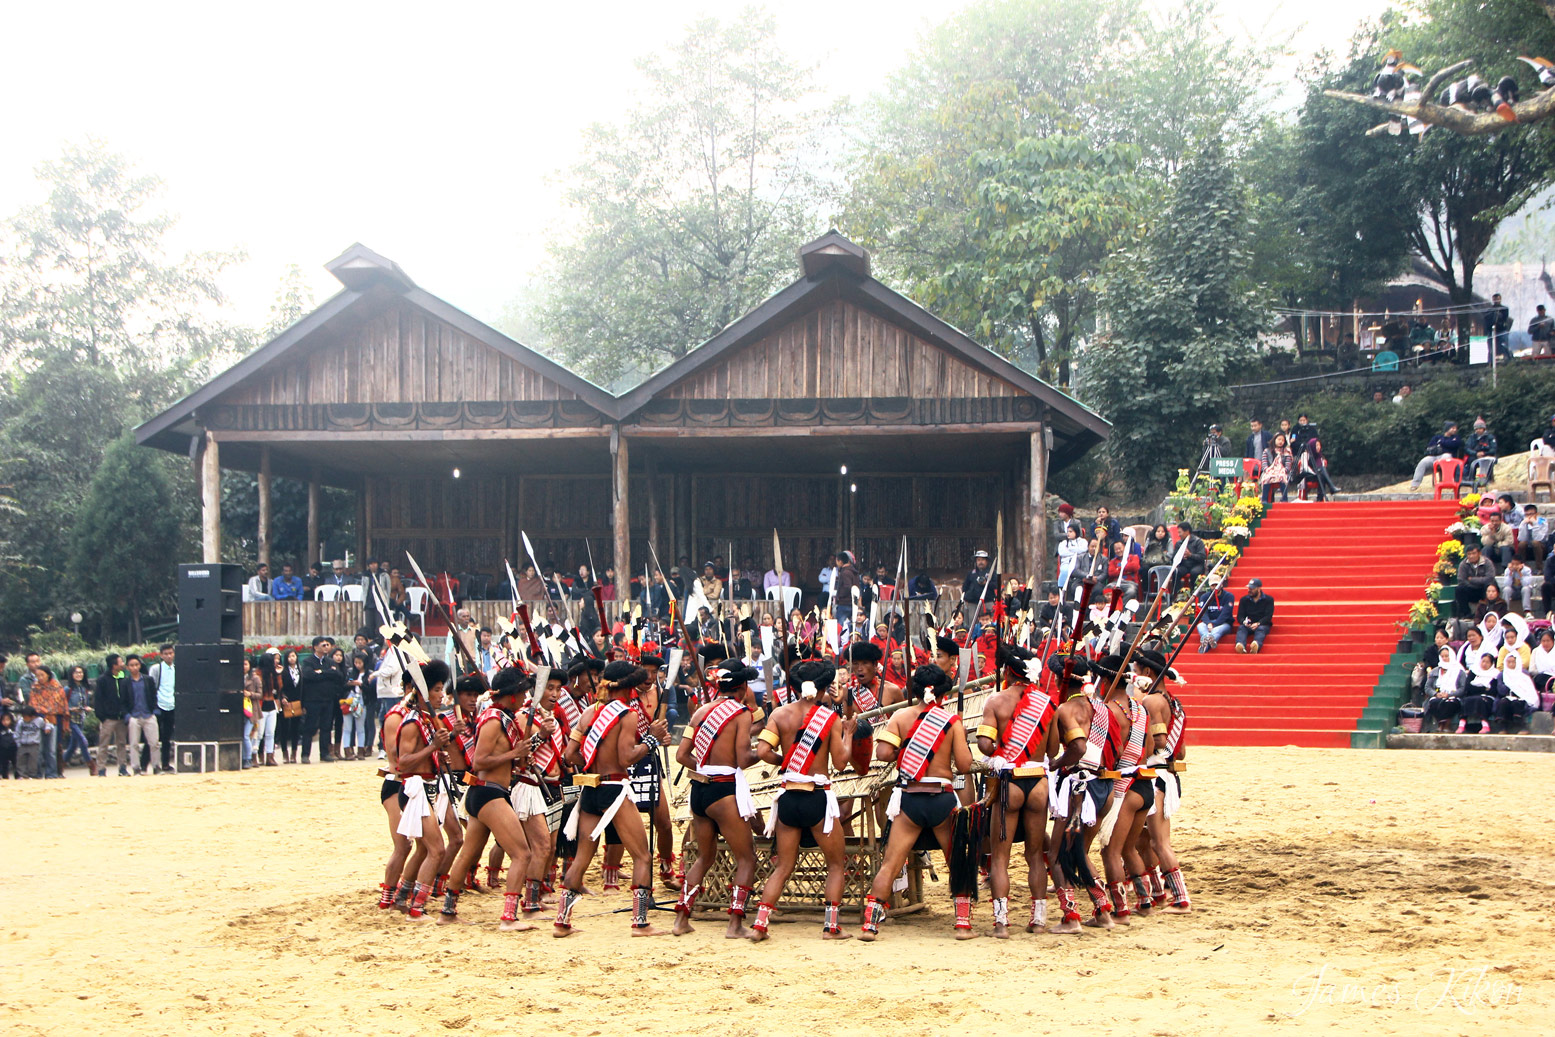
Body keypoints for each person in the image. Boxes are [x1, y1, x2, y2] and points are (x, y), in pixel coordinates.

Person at [554, 661, 670, 937]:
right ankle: (640, 923)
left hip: (591, 790)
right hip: (615, 789)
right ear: (630, 687)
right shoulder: (626, 715)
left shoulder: (589, 712)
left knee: (582, 857)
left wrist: (592, 765)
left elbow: (570, 755)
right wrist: (652, 740)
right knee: (642, 855)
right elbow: (626, 758)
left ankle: (562, 921)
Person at [860, 664, 975, 941]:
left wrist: (908, 749)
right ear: (942, 693)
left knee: (890, 863)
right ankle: (962, 924)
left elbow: (884, 752)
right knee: (956, 860)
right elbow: (963, 764)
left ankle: (870, 925)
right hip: (941, 799)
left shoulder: (900, 716)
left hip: (909, 799)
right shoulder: (952, 722)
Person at [749, 659, 856, 942]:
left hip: (789, 797)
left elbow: (761, 751)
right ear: (824, 688)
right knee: (835, 865)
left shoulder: (780, 715)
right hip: (817, 798)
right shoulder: (830, 718)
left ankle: (760, 924)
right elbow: (842, 762)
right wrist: (848, 734)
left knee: (783, 866)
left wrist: (785, 763)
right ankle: (831, 927)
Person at [436, 668, 542, 930]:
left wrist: (521, 754)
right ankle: (509, 917)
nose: (526, 695)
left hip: (488, 793)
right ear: (513, 696)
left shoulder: (503, 718)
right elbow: (479, 761)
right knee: (522, 853)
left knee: (468, 854)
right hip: (487, 792)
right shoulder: (494, 720)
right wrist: (513, 753)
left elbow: (511, 758)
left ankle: (447, 911)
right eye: (523, 692)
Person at [673, 660, 760, 938]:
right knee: (746, 858)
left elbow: (682, 756)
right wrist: (769, 753)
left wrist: (706, 767)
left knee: (705, 857)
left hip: (699, 790)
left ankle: (681, 920)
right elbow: (744, 759)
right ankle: (735, 925)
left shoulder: (701, 712)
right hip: (723, 791)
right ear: (744, 687)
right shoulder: (742, 714)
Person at [976, 644, 1056, 937]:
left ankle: (1001, 923)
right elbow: (1053, 748)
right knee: (1035, 854)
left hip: (1010, 781)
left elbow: (985, 745)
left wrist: (998, 749)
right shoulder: (1048, 703)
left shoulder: (996, 701)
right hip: (1037, 779)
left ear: (1008, 672)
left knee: (1000, 855)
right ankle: (1038, 919)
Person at [298, 636, 342, 764]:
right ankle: (305, 754)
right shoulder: (308, 661)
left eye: (327, 645)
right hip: (313, 700)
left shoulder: (329, 662)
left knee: (326, 727)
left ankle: (325, 753)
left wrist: (321, 672)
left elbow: (337, 675)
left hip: (328, 699)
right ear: (315, 647)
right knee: (310, 727)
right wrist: (327, 673)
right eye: (323, 645)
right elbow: (308, 675)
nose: (326, 647)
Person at [94, 654, 132, 776]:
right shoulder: (102, 680)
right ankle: (101, 769)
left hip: (121, 718)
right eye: (121, 662)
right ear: (114, 665)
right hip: (108, 718)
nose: (123, 664)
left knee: (121, 743)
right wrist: (102, 717)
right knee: (103, 744)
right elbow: (98, 699)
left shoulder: (124, 678)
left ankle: (122, 767)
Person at [124, 654, 162, 775]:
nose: (134, 667)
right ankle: (136, 768)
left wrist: (155, 711)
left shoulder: (148, 680)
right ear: (127, 667)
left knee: (154, 743)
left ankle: (156, 766)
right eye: (131, 665)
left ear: (140, 665)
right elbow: (123, 701)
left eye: (136, 665)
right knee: (134, 744)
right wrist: (127, 716)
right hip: (134, 716)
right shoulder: (125, 682)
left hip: (148, 715)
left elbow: (154, 696)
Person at [28, 667, 67, 779]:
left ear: (48, 675)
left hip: (54, 721)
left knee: (51, 749)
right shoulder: (35, 688)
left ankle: (51, 773)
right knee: (38, 749)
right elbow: (33, 705)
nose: (40, 678)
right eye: (38, 675)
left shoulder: (57, 687)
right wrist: (43, 714)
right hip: (38, 721)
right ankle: (37, 773)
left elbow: (59, 706)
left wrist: (47, 712)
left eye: (42, 675)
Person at [1420, 646, 1465, 732]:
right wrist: (1436, 694)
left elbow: (1462, 688)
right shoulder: (1435, 671)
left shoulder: (1459, 671)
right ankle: (1441, 725)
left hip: (1453, 696)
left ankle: (1446, 725)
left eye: (1447, 656)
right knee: (1434, 702)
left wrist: (1449, 694)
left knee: (1449, 703)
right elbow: (1427, 687)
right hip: (1438, 695)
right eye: (1442, 656)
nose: (1444, 658)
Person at [63, 665, 97, 774]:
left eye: (81, 672)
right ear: (72, 675)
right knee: (83, 740)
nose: (79, 675)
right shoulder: (68, 689)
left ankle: (61, 765)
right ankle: (91, 764)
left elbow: (85, 704)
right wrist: (71, 709)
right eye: (76, 673)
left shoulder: (84, 689)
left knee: (73, 746)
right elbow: (62, 706)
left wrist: (86, 708)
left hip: (80, 719)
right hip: (70, 719)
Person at [149, 644, 177, 772]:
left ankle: (165, 764)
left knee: (167, 738)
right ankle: (146, 765)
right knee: (153, 738)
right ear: (161, 655)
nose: (169, 656)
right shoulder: (156, 669)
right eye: (166, 653)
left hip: (171, 705)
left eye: (170, 653)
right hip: (159, 706)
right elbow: (151, 686)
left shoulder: (176, 669)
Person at [1455, 544, 1498, 616]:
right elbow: (1461, 580)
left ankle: (1487, 612)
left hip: (1483, 589)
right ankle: (1466, 613)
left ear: (1479, 553)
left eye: (1474, 553)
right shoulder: (1463, 564)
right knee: (1459, 589)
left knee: (1490, 585)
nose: (1471, 556)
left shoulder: (1487, 562)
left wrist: (1472, 580)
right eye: (1469, 554)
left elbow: (1490, 578)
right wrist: (1474, 584)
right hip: (1471, 589)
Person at [1235, 579, 1274, 654]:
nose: (1250, 590)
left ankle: (1256, 645)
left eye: (1252, 589)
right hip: (1248, 624)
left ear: (1259, 588)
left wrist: (1258, 623)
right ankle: (1240, 645)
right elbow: (1240, 616)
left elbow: (1268, 616)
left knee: (1261, 629)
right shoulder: (1244, 600)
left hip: (1262, 624)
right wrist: (1244, 622)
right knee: (1241, 628)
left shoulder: (1268, 600)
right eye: (1249, 588)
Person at [1195, 580, 1235, 652]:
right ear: (1210, 586)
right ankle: (1208, 642)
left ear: (1221, 584)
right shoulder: (1204, 597)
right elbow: (1203, 612)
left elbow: (1226, 613)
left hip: (1224, 623)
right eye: (1212, 585)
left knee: (1217, 630)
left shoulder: (1229, 596)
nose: (1214, 587)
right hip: (1209, 623)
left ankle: (1205, 645)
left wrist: (1214, 625)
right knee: (1200, 626)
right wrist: (1208, 623)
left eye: (1216, 585)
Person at [15, 705, 51, 778]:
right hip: (23, 744)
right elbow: (17, 733)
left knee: (33, 762)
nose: (25, 718)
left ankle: (31, 775)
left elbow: (47, 724)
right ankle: (22, 775)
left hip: (34, 744)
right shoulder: (21, 722)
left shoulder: (39, 721)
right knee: (21, 760)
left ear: (32, 716)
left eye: (26, 717)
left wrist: (47, 727)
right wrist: (18, 743)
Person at [1260, 433, 1294, 505]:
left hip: (1282, 471)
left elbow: (1288, 465)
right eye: (1279, 439)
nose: (1280, 441)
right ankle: (1264, 500)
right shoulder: (1267, 451)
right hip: (1270, 471)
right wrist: (1267, 470)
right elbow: (1264, 463)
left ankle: (1284, 500)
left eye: (1282, 440)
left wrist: (1284, 470)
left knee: (1282, 476)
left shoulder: (1286, 452)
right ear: (1274, 440)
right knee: (1267, 477)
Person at [1175, 522, 1206, 592]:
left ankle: (1193, 593)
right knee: (1176, 572)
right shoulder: (1179, 543)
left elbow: (1202, 556)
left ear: (1187, 532)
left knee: (1194, 573)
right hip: (1184, 565)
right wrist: (1180, 557)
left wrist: (1190, 555)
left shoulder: (1198, 542)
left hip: (1196, 564)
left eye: (1180, 532)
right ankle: (1177, 593)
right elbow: (1174, 557)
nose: (1178, 535)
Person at [1484, 293, 1513, 361]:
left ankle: (1507, 360)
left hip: (1502, 330)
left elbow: (1504, 317)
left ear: (1500, 299)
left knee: (1504, 346)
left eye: (1498, 299)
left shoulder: (1504, 309)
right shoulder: (1489, 310)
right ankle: (1490, 361)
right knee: (1491, 348)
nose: (1496, 300)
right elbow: (1487, 319)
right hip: (1492, 331)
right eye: (1495, 299)